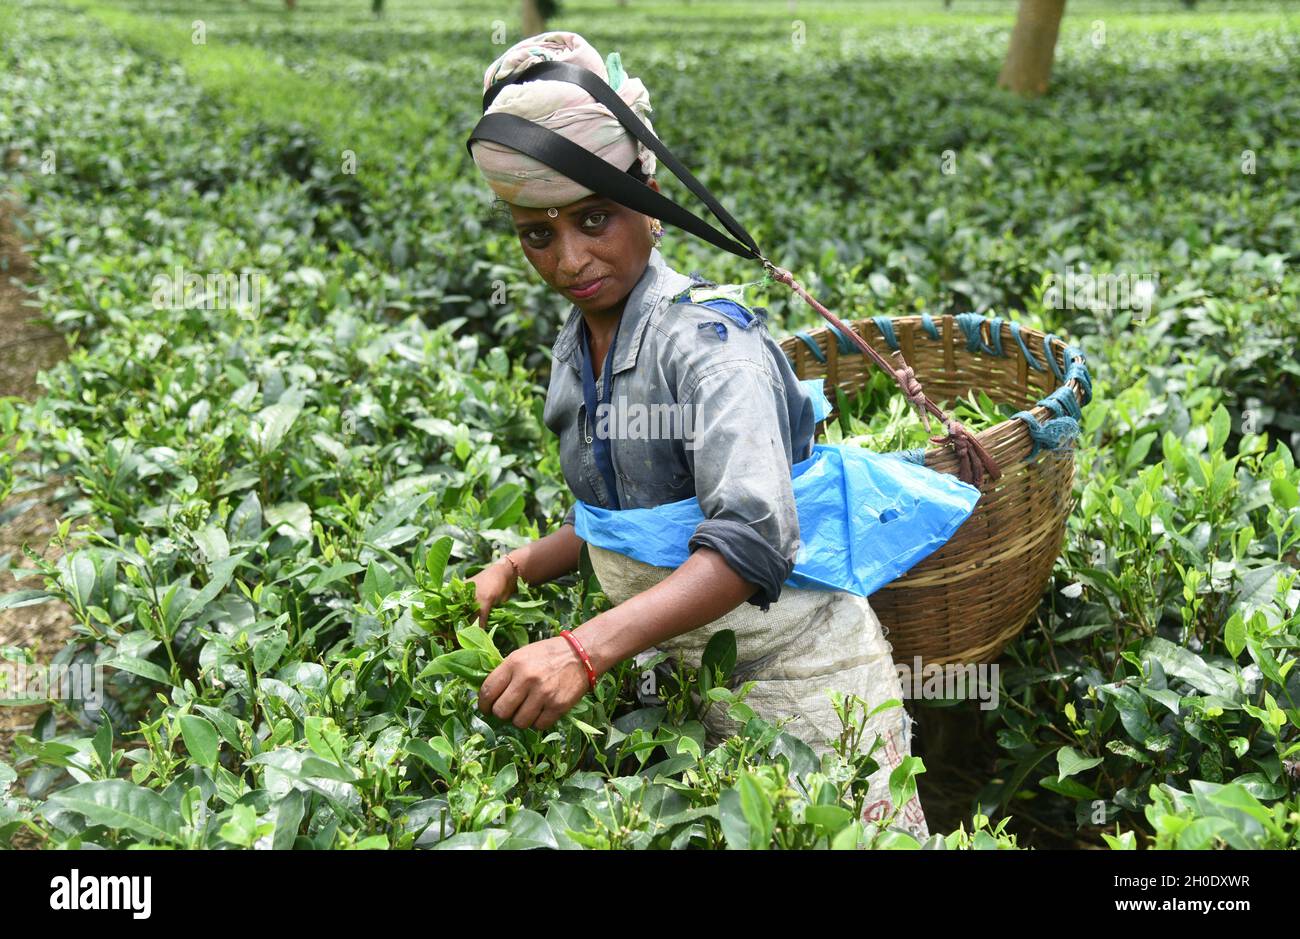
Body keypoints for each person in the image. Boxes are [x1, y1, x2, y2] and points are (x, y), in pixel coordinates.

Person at [466, 31, 929, 840]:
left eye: (595, 218)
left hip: (803, 682)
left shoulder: (714, 352)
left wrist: (581, 650)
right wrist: (518, 564)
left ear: (647, 200)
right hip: (681, 680)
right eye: (538, 234)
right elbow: (625, 514)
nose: (571, 257)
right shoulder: (578, 348)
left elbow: (749, 543)